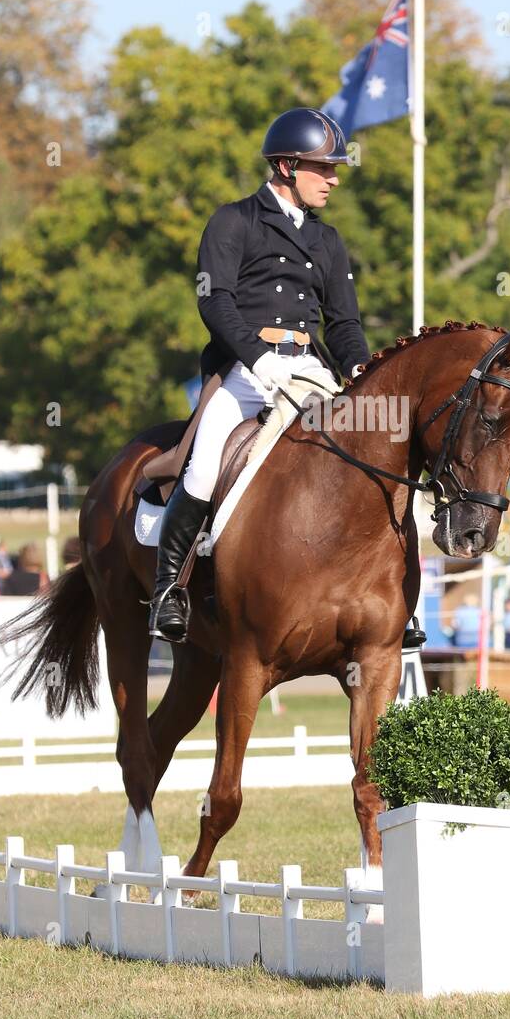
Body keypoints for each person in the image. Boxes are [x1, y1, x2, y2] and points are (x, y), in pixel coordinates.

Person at [148, 108, 371, 642]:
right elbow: (215, 301)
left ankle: (386, 594)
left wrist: (361, 369)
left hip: (311, 369)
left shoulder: (328, 240)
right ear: (288, 166)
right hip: (246, 371)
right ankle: (168, 590)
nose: (334, 179)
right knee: (205, 467)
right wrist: (258, 358)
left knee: (369, 456)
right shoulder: (234, 221)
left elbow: (343, 322)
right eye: (325, 168)